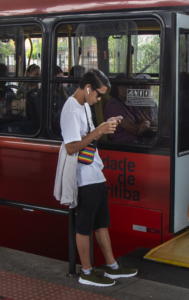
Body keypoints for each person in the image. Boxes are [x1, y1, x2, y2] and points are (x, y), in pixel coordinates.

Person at [59, 69, 138, 286]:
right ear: (88, 88)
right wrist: (99, 131)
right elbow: (71, 147)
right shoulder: (71, 110)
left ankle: (112, 267)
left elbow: (86, 139)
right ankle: (86, 272)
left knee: (102, 222)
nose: (99, 99)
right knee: (84, 225)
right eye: (99, 94)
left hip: (94, 172)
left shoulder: (83, 105)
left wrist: (105, 125)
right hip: (83, 177)